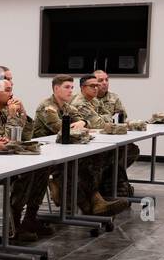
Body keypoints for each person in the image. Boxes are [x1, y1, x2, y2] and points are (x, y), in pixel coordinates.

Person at [0, 67, 52, 240]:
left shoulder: (4, 112)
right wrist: (12, 117)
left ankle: (27, 219)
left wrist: (22, 115)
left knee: (41, 169)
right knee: (27, 173)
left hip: (9, 162)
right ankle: (4, 225)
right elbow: (9, 143)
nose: (12, 94)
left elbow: (24, 137)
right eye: (7, 90)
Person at [32, 75, 126, 217]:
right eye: (66, 87)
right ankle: (88, 205)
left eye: (71, 87)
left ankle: (94, 201)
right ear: (56, 88)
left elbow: (84, 122)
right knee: (77, 166)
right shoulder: (47, 107)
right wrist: (80, 126)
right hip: (44, 154)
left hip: (63, 150)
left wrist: (84, 123)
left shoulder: (67, 106)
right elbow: (62, 130)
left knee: (90, 160)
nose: (70, 91)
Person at [72, 75, 129, 200]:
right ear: (83, 88)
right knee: (103, 157)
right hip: (78, 146)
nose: (96, 88)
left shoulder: (94, 100)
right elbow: (102, 123)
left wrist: (104, 119)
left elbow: (110, 117)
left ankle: (109, 188)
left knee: (127, 150)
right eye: (92, 86)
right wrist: (105, 119)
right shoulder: (80, 103)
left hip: (90, 140)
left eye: (97, 85)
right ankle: (98, 193)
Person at [93, 69, 139, 187]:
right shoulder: (87, 97)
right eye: (100, 80)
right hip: (94, 137)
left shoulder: (113, 97)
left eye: (106, 80)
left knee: (131, 150)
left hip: (108, 135)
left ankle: (110, 179)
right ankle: (111, 182)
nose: (105, 83)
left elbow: (122, 115)